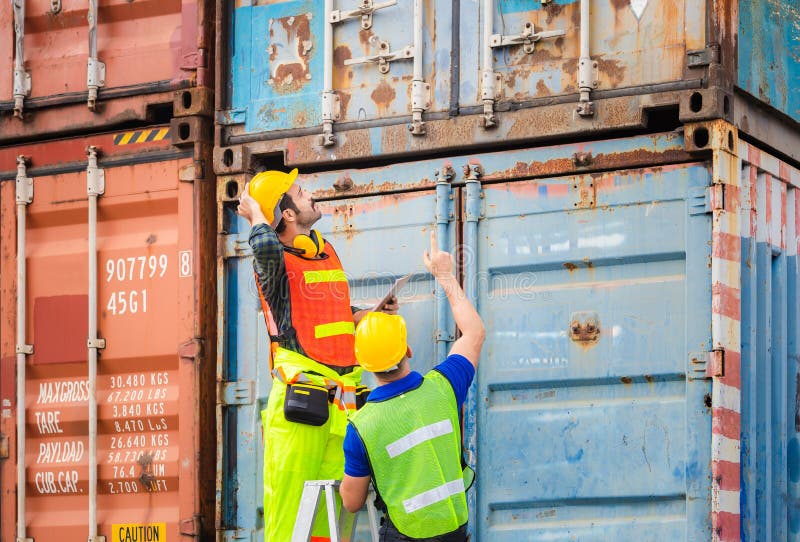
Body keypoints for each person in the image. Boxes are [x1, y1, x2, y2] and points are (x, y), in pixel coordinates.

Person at [236, 168, 398, 542]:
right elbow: (264, 246)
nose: (310, 195)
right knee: (290, 520)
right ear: (286, 213)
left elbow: (328, 316)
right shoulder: (273, 263)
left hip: (342, 410)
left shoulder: (326, 253)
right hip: (301, 409)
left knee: (334, 525)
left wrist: (366, 315)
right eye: (300, 192)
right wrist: (256, 213)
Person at [340, 230, 485, 541]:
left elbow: (351, 502)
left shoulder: (361, 426)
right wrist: (445, 276)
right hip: (453, 532)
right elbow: (474, 332)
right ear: (407, 350)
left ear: (364, 364)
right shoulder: (444, 386)